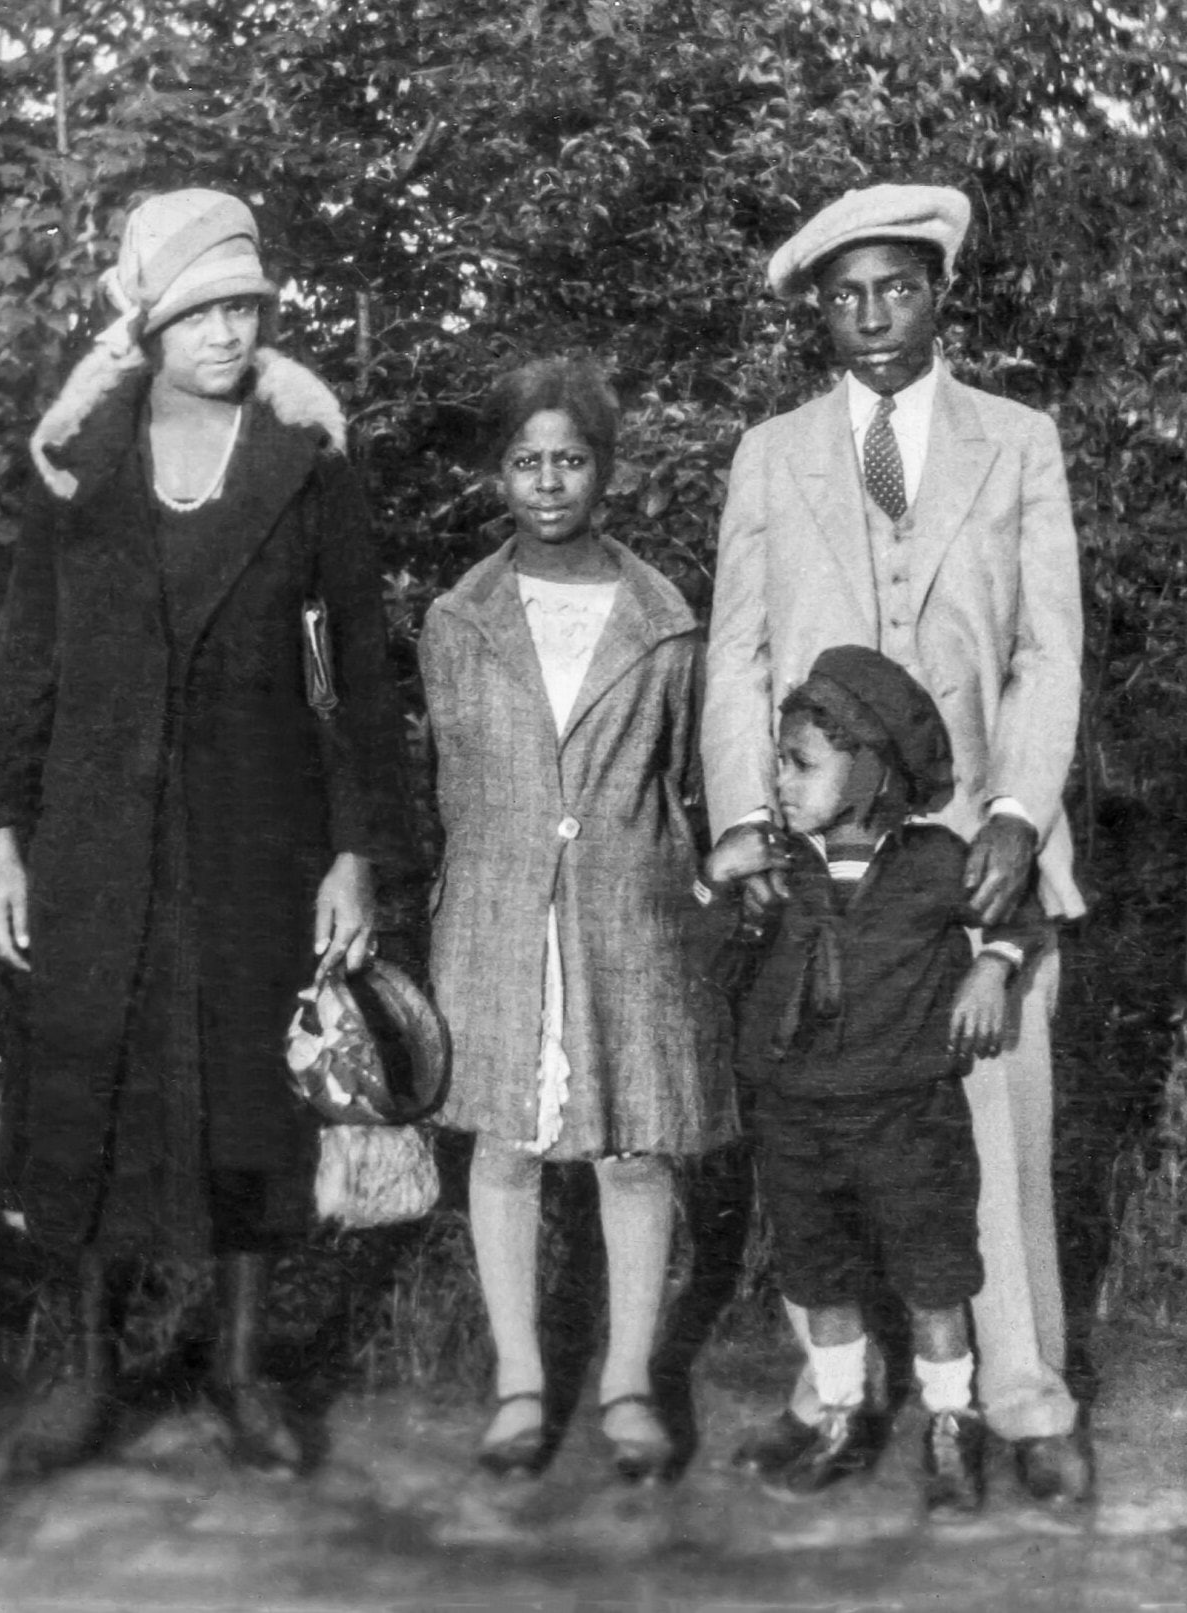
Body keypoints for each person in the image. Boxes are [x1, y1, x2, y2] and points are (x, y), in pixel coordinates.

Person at [0, 189, 405, 1476]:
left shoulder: (307, 459)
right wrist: (3, 831)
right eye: (201, 309)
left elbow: (357, 674)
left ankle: (240, 1366)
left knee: (253, 1094)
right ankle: (90, 1373)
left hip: (255, 828)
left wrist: (354, 847)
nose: (227, 332)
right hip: (94, 829)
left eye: (246, 308)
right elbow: (27, 658)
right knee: (87, 1079)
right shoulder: (79, 458)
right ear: (148, 320)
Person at [703, 184, 1090, 1501]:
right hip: (825, 864)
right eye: (845, 293)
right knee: (825, 1135)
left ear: (940, 294)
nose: (872, 316)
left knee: (993, 1129)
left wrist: (1020, 812)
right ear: (817, 307)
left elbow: (1048, 650)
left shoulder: (1017, 442)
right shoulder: (772, 453)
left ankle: (1029, 1405)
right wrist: (745, 820)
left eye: (899, 288)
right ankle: (837, 1398)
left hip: (977, 847)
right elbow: (736, 653)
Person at [419, 357, 732, 1481]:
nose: (549, 481)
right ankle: (517, 1380)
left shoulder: (663, 616)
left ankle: (632, 1381)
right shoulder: (460, 616)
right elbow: (448, 774)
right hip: (499, 910)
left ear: (605, 469)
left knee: (633, 1150)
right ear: (499, 472)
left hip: (628, 912)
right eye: (526, 460)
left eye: (571, 459)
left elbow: (692, 771)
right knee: (505, 1144)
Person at [707, 646, 1043, 1512]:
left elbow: (1023, 908)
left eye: (799, 764)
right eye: (780, 761)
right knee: (818, 1272)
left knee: (933, 1274)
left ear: (868, 770)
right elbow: (697, 953)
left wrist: (992, 965)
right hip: (795, 1113)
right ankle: (842, 1415)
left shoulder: (936, 860)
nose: (778, 781)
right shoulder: (775, 865)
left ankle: (948, 1423)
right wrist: (713, 879)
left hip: (907, 1113)